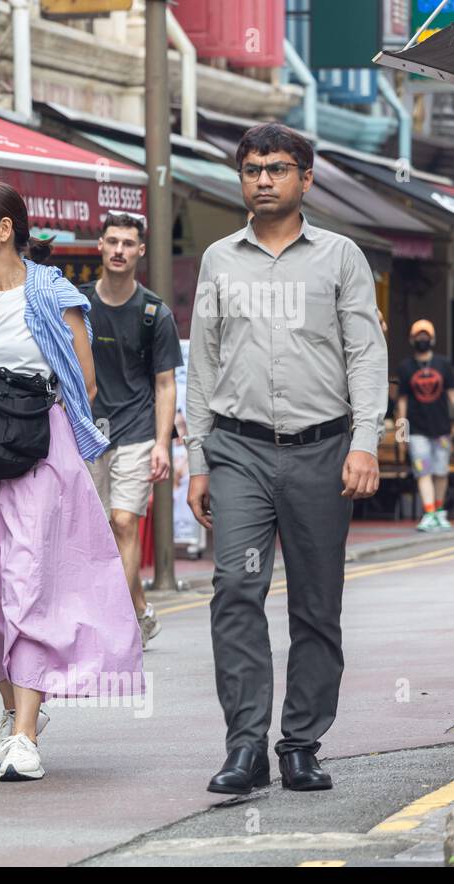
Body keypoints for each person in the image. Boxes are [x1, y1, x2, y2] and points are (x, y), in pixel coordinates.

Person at [186, 123, 387, 795]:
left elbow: (365, 353)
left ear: (305, 177)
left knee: (315, 604)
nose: (262, 179)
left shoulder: (340, 258)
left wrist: (364, 442)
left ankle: (300, 743)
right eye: (251, 169)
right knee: (237, 591)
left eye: (276, 168)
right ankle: (244, 746)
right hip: (239, 451)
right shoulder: (219, 259)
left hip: (322, 454)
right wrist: (198, 459)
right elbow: (202, 360)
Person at [0, 178, 141, 783]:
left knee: (28, 581)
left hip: (37, 451)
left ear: (4, 229)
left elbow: (83, 380)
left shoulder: (55, 295)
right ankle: (14, 705)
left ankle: (25, 731)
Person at [82, 213, 182, 648]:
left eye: (128, 243)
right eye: (112, 242)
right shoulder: (78, 304)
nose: (119, 250)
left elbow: (165, 384)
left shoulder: (154, 313)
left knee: (123, 522)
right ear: (100, 247)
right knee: (98, 529)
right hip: (87, 432)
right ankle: (139, 607)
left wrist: (163, 445)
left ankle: (116, 623)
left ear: (141, 251)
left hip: (137, 431)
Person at [395, 319, 453, 532]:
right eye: (419, 335)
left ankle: (438, 512)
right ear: (412, 339)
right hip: (417, 431)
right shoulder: (405, 367)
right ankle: (429, 513)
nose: (422, 339)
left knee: (441, 472)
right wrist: (403, 434)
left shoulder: (443, 364)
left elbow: (451, 395)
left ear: (433, 338)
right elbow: (402, 402)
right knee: (423, 471)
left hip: (442, 430)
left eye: (425, 335)